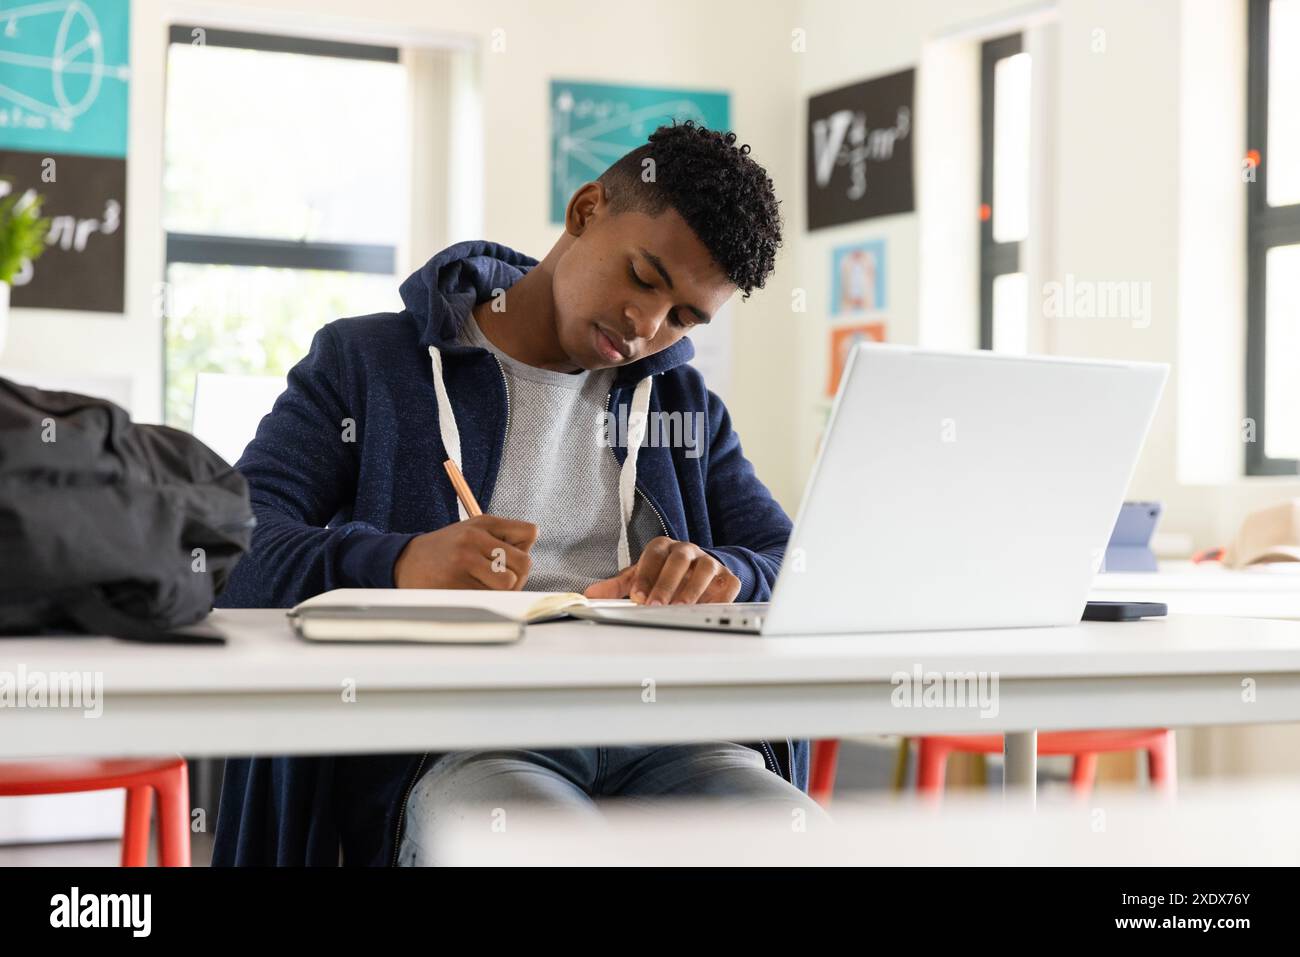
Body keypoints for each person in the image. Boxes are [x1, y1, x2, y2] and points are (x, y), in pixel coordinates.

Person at [212, 121, 824, 866]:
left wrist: (725, 574)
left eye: (686, 318)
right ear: (586, 210)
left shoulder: (681, 405)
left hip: (681, 736)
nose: (647, 326)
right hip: (469, 742)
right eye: (643, 276)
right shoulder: (367, 364)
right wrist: (398, 565)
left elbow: (797, 562)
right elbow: (231, 542)